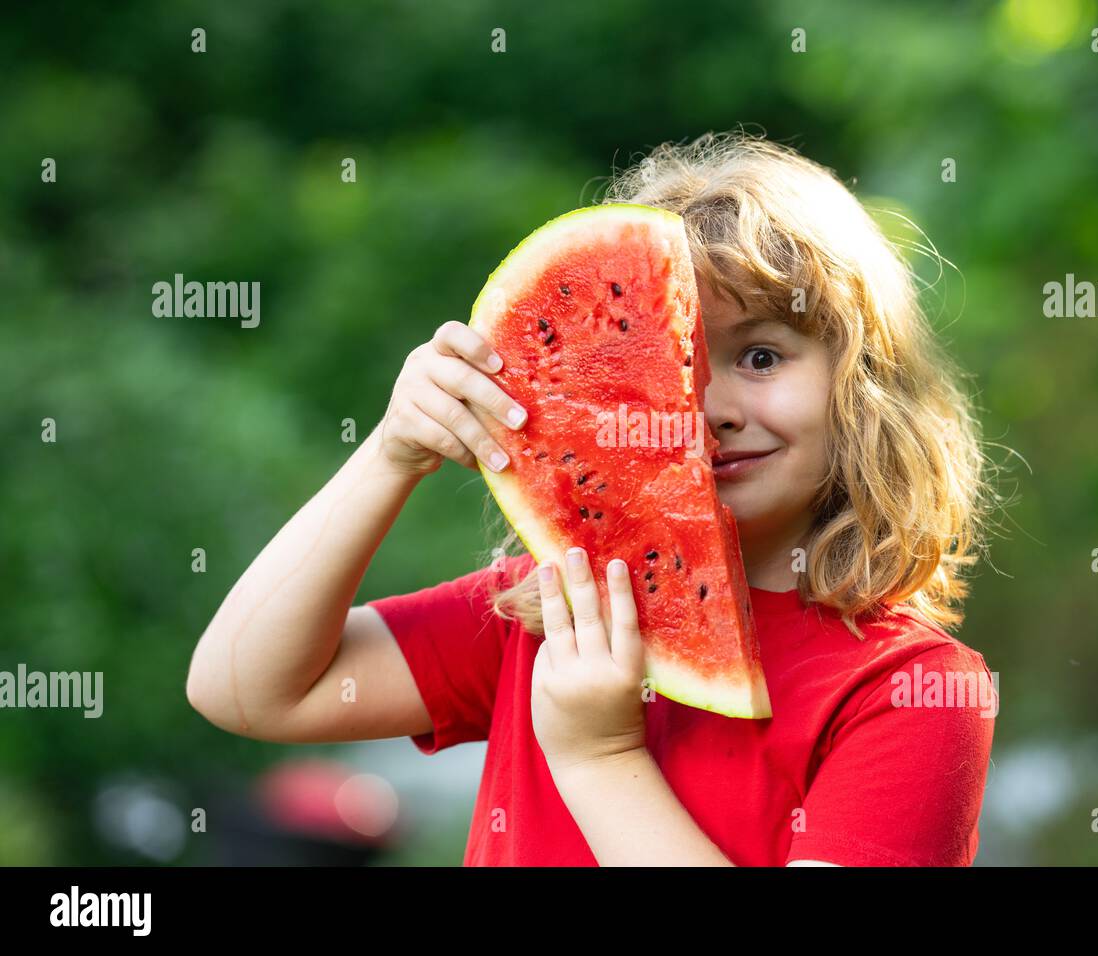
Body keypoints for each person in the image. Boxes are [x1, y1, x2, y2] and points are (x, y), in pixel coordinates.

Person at [186, 129, 1000, 867]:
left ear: (862, 390)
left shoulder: (913, 691)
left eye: (760, 356)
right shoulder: (547, 618)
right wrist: (391, 454)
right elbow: (245, 688)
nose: (708, 406)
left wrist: (600, 761)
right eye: (665, 368)